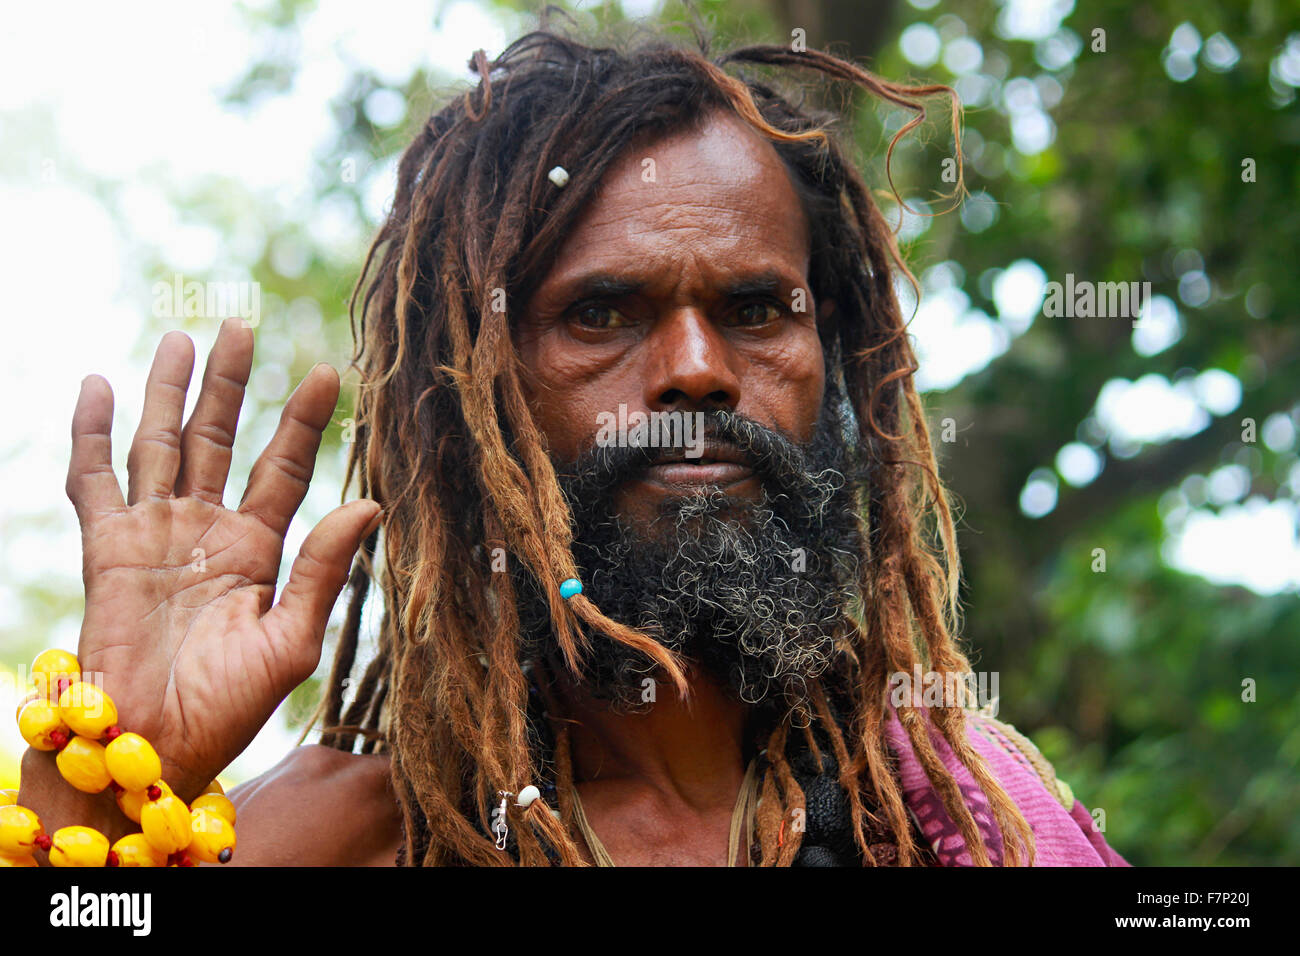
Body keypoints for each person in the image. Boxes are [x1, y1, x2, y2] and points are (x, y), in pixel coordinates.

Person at [20, 28, 1127, 866]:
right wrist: (108, 787)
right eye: (601, 312)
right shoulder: (342, 840)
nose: (697, 366)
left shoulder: (971, 814)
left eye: (755, 308)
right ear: (476, 404)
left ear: (831, 356)